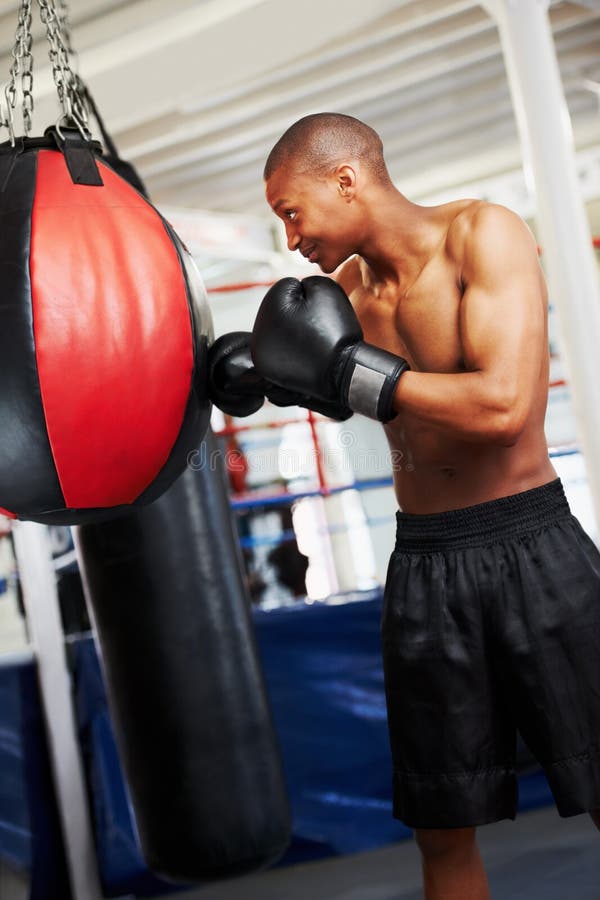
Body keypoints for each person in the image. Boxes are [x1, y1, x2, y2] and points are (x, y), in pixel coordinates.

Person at [207, 112, 600, 900]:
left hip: (534, 548)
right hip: (426, 568)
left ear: (346, 181)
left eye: (293, 212)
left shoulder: (482, 235)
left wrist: (352, 369)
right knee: (441, 830)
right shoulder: (347, 296)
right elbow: (332, 384)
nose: (291, 240)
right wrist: (258, 376)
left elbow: (504, 407)